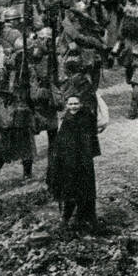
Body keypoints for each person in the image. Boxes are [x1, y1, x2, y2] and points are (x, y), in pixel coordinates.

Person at [46, 96, 99, 232]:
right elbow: (60, 141)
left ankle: (84, 217)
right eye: (70, 104)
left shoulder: (87, 118)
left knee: (84, 189)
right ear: (67, 105)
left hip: (82, 161)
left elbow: (90, 140)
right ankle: (66, 217)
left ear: (81, 104)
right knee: (68, 189)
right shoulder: (67, 119)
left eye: (76, 104)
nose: (73, 107)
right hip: (68, 161)